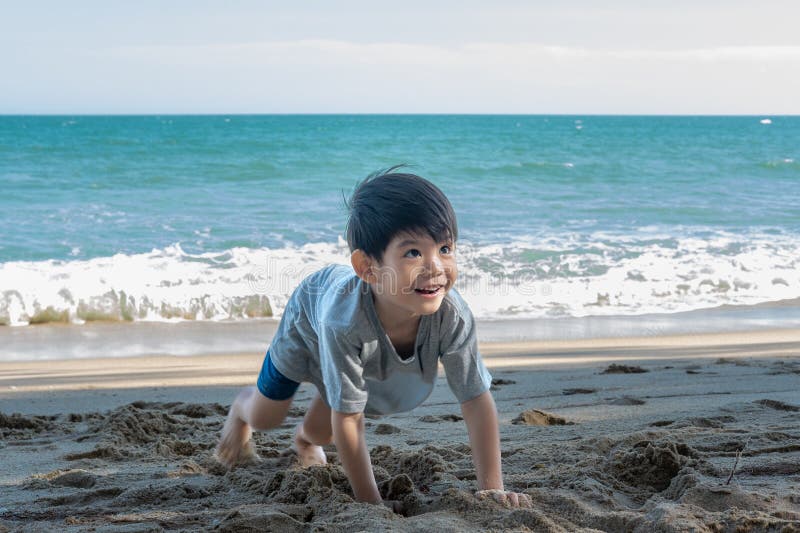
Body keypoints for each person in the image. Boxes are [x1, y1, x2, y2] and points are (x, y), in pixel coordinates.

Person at [216, 166, 532, 509]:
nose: (436, 267)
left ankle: (305, 441)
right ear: (367, 268)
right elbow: (351, 421)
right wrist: (372, 504)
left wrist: (492, 489)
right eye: (413, 253)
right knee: (267, 418)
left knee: (323, 433)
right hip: (307, 321)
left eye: (444, 248)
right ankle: (240, 408)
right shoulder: (345, 321)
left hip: (345, 348)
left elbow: (475, 399)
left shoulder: (451, 315)